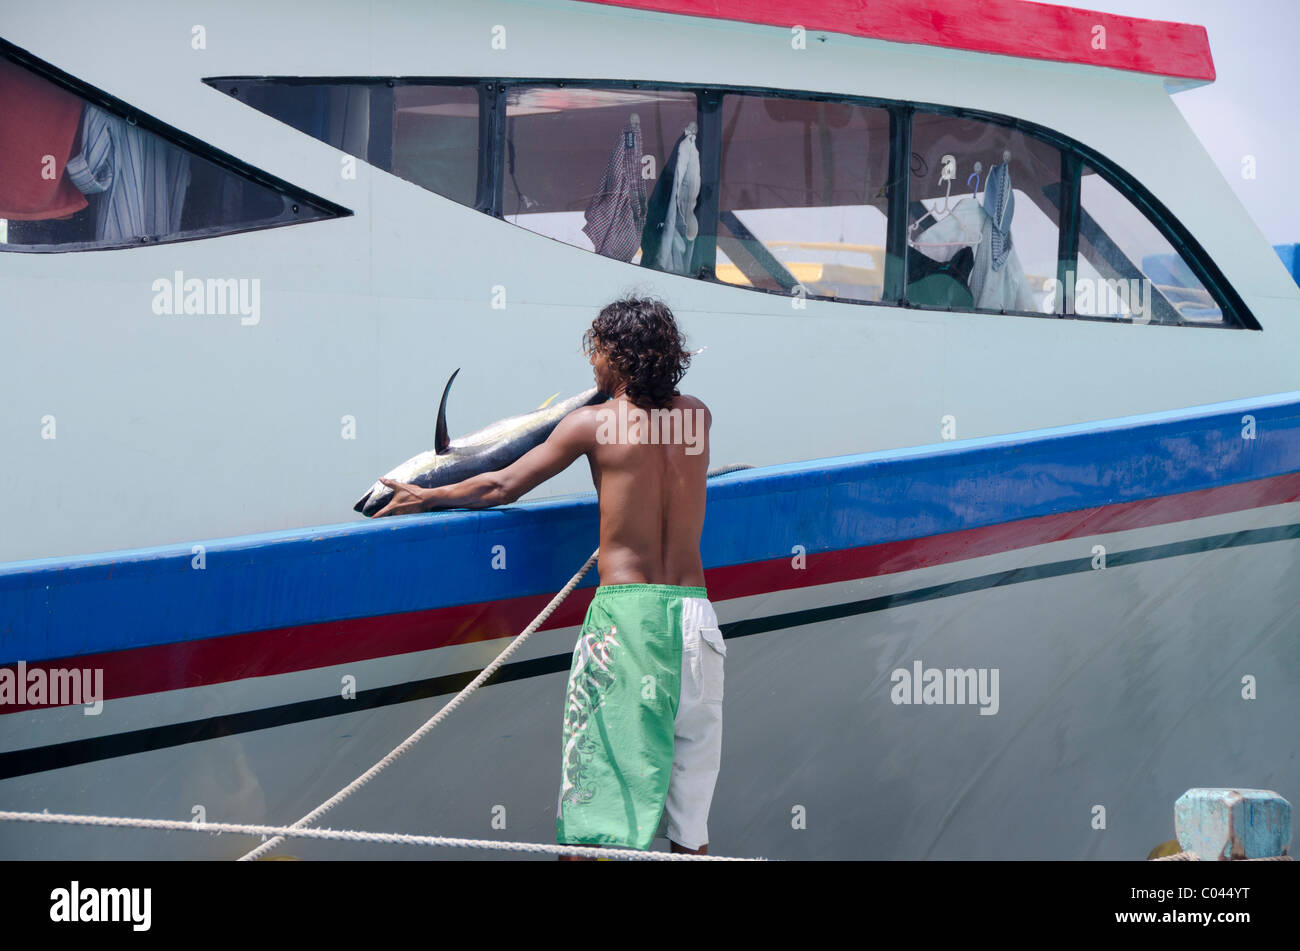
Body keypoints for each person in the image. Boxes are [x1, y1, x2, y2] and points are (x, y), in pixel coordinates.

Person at [374, 297, 724, 857]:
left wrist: (427, 494)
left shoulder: (592, 424)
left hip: (631, 621)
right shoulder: (698, 417)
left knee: (597, 812)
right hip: (696, 620)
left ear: (616, 355)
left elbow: (500, 486)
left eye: (598, 353)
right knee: (688, 817)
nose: (593, 366)